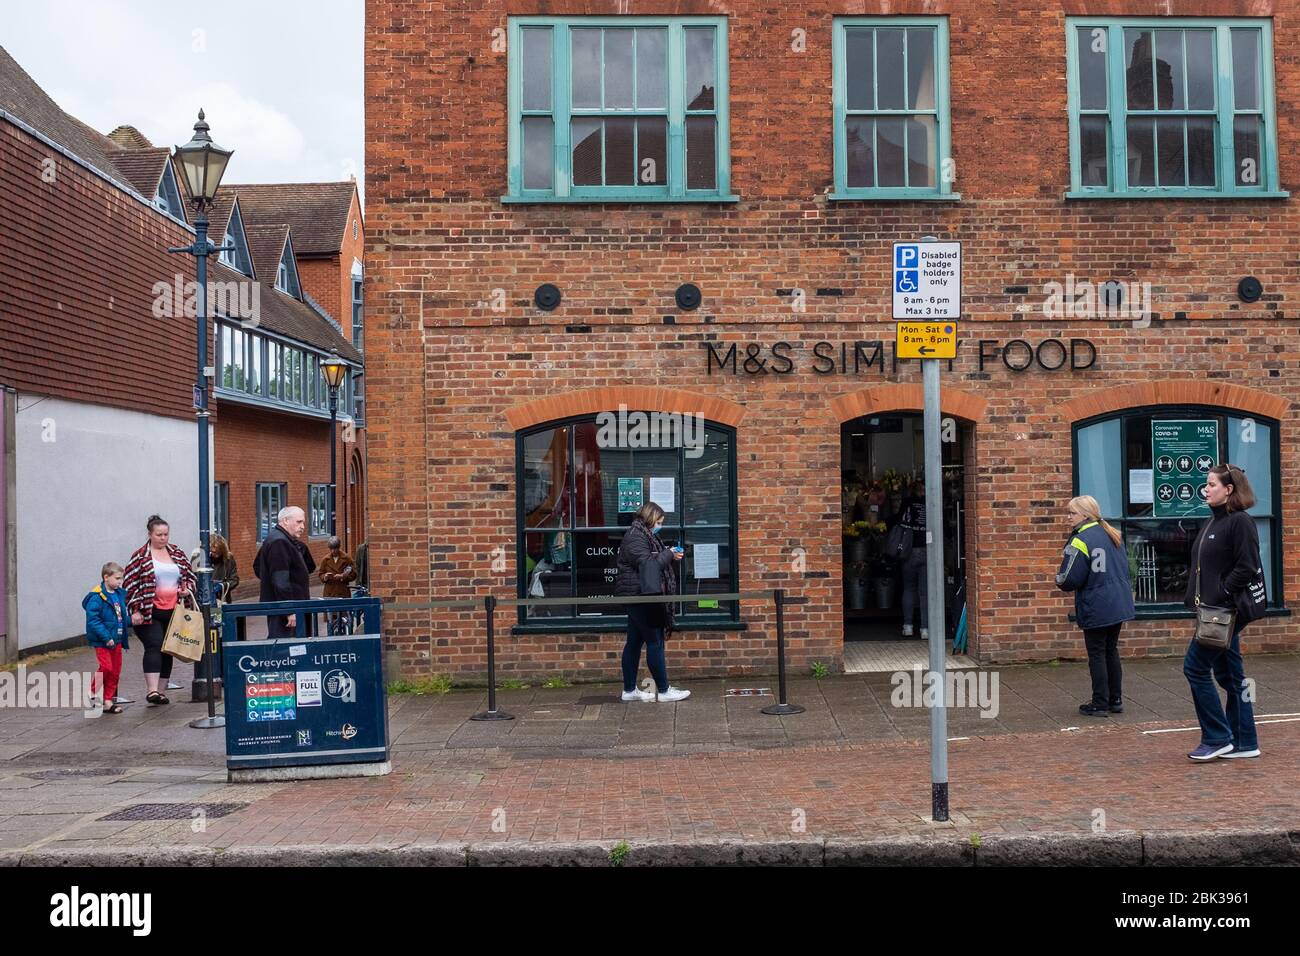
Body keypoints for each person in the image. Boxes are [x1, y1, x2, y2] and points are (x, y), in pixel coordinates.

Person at [1182, 464, 1266, 761]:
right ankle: (1245, 741)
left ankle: (1217, 737)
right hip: (1212, 610)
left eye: (1212, 484)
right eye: (1206, 484)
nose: (1206, 489)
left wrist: (1222, 594)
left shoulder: (1239, 521)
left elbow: (1247, 566)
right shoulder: (1213, 521)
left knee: (1194, 668)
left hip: (1223, 613)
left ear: (1229, 489)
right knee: (1231, 677)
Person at [1055, 495, 1136, 716]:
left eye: (1071, 513)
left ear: (1085, 515)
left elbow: (1069, 579)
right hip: (1118, 602)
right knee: (1111, 651)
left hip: (1097, 604)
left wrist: (1058, 578)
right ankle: (1115, 699)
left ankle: (1099, 703)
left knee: (1097, 654)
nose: (1067, 517)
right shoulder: (1112, 534)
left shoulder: (1080, 540)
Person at [613, 502, 689, 702]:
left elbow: (649, 559)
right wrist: (669, 554)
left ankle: (629, 691)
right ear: (650, 519)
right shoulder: (636, 536)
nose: (660, 526)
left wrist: (669, 553)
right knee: (655, 642)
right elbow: (648, 565)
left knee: (634, 643)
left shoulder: (641, 535)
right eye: (659, 522)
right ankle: (664, 691)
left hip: (638, 596)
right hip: (642, 597)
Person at [124, 515, 196, 705]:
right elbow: (129, 584)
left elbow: (190, 577)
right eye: (159, 534)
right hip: (149, 610)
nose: (163, 538)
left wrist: (187, 588)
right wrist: (135, 609)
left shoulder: (177, 553)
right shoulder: (140, 556)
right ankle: (152, 690)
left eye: (166, 534)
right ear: (150, 534)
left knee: (168, 649)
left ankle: (161, 692)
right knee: (154, 645)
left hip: (174, 610)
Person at [253, 506, 316, 638]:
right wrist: (289, 610)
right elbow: (280, 580)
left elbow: (258, 566)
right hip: (287, 609)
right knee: (288, 649)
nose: (303, 526)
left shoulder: (277, 539)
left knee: (290, 648)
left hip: (287, 606)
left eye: (303, 522)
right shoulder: (279, 542)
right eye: (299, 522)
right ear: (285, 521)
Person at [82, 562, 131, 714]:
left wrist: (132, 621)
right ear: (106, 577)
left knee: (115, 671)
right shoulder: (97, 597)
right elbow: (93, 620)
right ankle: (93, 690)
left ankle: (108, 701)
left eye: (121, 578)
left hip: (116, 639)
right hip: (103, 641)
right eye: (117, 578)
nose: (120, 582)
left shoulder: (118, 594)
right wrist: (106, 637)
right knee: (106, 667)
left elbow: (120, 617)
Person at [896, 483, 929, 640]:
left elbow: (898, 520)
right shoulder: (931, 501)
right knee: (925, 592)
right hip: (927, 549)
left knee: (909, 588)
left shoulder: (907, 502)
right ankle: (925, 629)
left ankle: (908, 626)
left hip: (909, 551)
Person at [318, 536, 357, 634]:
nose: (333, 551)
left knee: (344, 617)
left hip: (342, 591)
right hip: (330, 592)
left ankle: (345, 634)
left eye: (335, 548)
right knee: (331, 619)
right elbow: (320, 574)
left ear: (339, 547)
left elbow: (354, 574)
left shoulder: (347, 558)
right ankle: (331, 635)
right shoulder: (325, 560)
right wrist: (325, 577)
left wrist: (343, 577)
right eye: (331, 549)